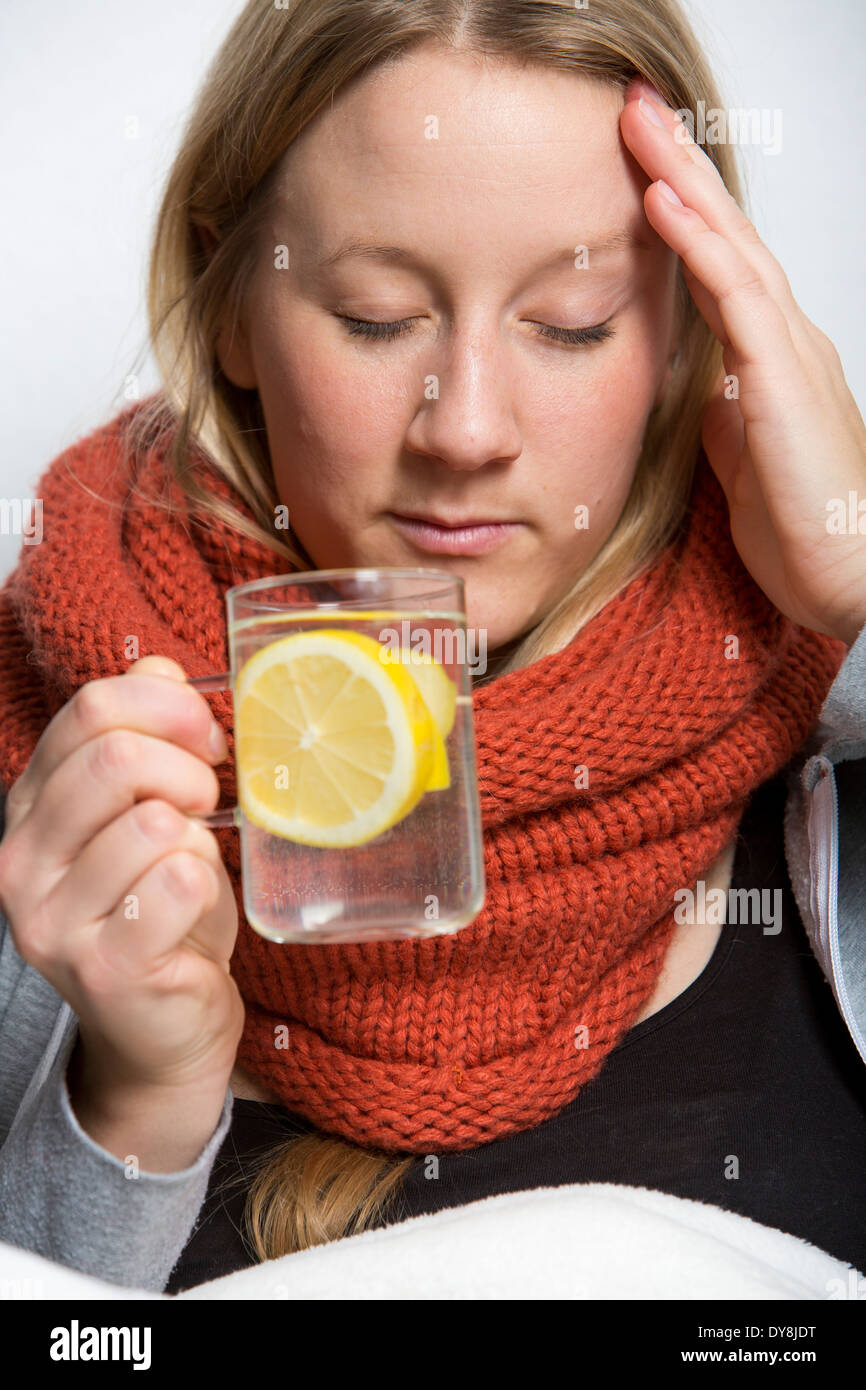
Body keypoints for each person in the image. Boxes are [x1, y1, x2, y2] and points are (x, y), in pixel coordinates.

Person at [0, 0, 865, 1297]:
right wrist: (130, 1103)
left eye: (570, 321)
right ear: (231, 300)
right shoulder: (61, 799)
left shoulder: (825, 773)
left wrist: (852, 577)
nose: (465, 429)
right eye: (374, 314)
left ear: (687, 330)